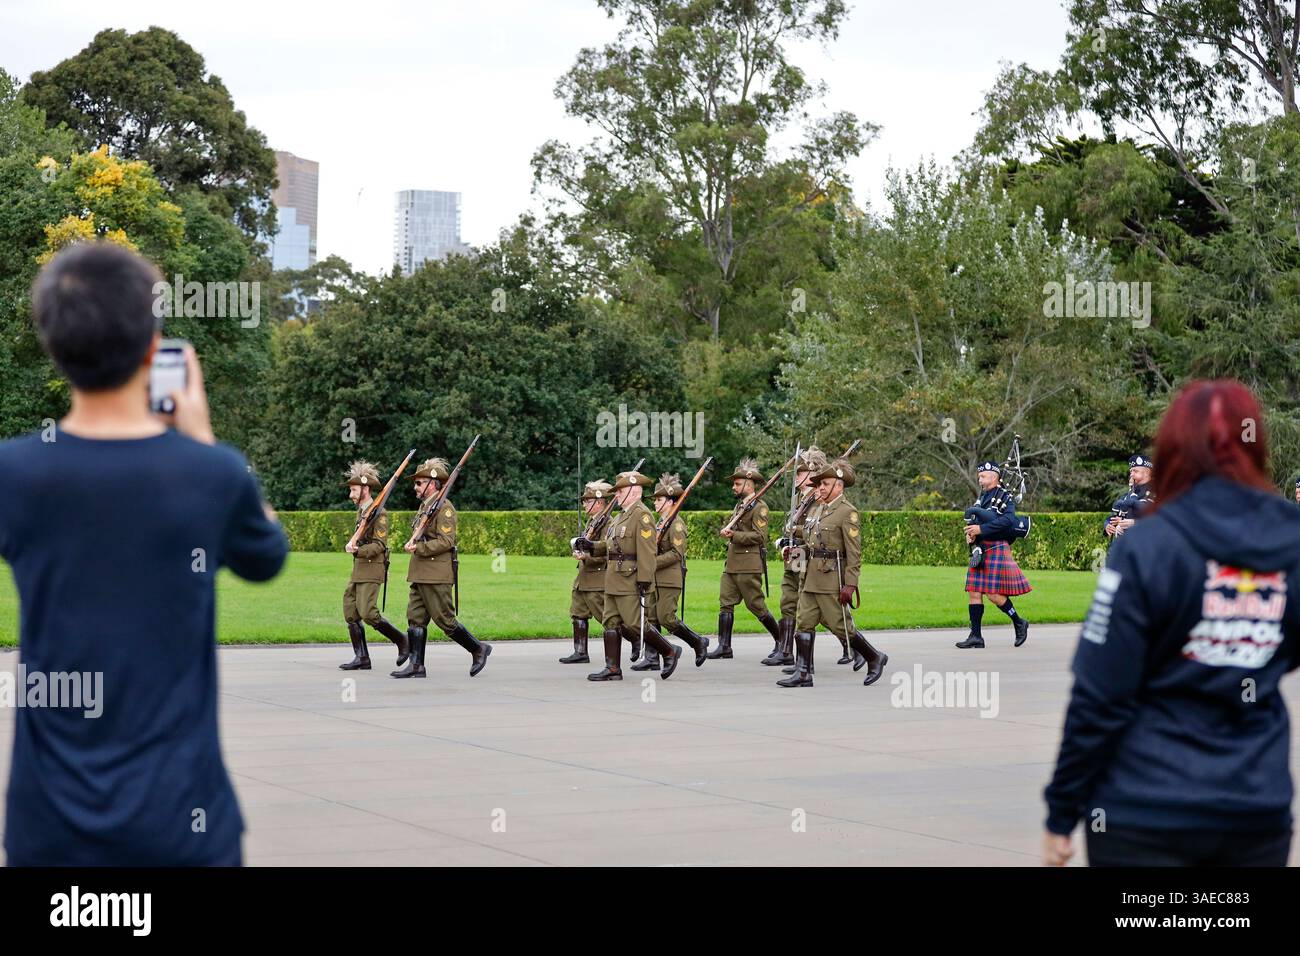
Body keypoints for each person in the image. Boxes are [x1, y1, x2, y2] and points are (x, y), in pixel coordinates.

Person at [0, 241, 288, 866]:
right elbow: (267, 556)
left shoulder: (15, 472)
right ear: (154, 348)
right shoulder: (210, 475)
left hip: (49, 825)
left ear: (54, 346)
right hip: (180, 821)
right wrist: (206, 439)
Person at [1044, 380, 1300, 867]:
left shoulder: (1147, 545)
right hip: (1253, 808)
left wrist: (1062, 812)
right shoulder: (1292, 539)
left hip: (1145, 809)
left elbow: (1100, 695)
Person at [777, 459, 887, 688]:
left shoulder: (848, 512)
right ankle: (803, 673)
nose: (821, 488)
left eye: (826, 484)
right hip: (810, 578)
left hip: (830, 579)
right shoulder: (818, 510)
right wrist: (794, 550)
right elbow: (813, 545)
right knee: (803, 623)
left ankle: (874, 657)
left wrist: (851, 584)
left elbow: (854, 553)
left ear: (839, 485)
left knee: (841, 626)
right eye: (820, 485)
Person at [392, 456, 491, 678]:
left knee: (445, 620)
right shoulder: (426, 507)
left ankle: (478, 649)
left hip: (436, 574)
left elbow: (447, 541)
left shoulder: (444, 508)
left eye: (419, 483)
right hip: (420, 573)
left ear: (432, 484)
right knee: (415, 617)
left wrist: (419, 548)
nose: (415, 486)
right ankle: (417, 666)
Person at [580, 470, 683, 681]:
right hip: (613, 577)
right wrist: (592, 546)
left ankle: (669, 651)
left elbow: (647, 552)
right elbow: (612, 546)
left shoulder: (642, 515)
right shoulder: (620, 517)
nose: (615, 495)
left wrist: (644, 579)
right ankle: (612, 668)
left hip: (630, 578)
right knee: (610, 621)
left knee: (635, 623)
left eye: (620, 491)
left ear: (633, 491)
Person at [632, 474, 709, 671]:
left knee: (667, 618)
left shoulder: (676, 524)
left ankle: (697, 642)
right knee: (650, 617)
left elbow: (677, 554)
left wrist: (651, 562)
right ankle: (651, 658)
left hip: (669, 579)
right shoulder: (659, 523)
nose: (655, 503)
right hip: (654, 579)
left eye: (659, 499)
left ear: (670, 501)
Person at [339, 461, 410, 670]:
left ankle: (402, 640)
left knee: (369, 613)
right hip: (359, 569)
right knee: (350, 610)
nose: (351, 494)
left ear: (365, 489)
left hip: (372, 569)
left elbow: (379, 545)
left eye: (353, 490)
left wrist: (357, 550)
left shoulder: (379, 513)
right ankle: (362, 657)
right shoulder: (362, 512)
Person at [709, 457, 781, 660]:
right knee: (725, 603)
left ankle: (781, 641)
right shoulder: (742, 505)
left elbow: (760, 537)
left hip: (748, 564)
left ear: (749, 485)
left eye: (737, 483)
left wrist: (735, 536)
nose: (734, 486)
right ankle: (724, 646)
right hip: (732, 564)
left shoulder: (760, 507)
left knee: (755, 605)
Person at [955, 461, 1031, 649]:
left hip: (996, 547)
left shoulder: (1005, 496)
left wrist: (981, 529)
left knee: (993, 594)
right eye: (979, 476)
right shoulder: (982, 497)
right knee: (974, 592)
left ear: (995, 477)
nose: (979, 479)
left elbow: (1008, 520)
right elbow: (975, 519)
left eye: (983, 476)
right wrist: (972, 536)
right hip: (980, 548)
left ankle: (1019, 622)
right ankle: (976, 636)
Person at [769, 446, 833, 667]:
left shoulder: (818, 497)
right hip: (795, 553)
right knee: (788, 600)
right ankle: (786, 650)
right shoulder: (800, 497)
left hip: (807, 554)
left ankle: (855, 646)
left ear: (810, 474)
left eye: (799, 472)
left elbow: (814, 527)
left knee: (814, 609)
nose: (796, 476)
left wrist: (792, 531)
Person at [560, 479, 612, 664]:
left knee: (608, 619)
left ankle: (640, 643)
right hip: (583, 578)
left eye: (587, 501)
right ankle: (581, 652)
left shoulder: (607, 523)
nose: (584, 504)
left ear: (599, 503)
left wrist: (586, 557)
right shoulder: (592, 521)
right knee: (578, 613)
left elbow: (608, 552)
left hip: (597, 579)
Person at [1103, 454, 1155, 538]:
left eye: (1135, 471)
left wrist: (1135, 523)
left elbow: (1160, 520)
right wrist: (1107, 525)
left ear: (1147, 473)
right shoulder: (1129, 494)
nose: (1131, 474)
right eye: (1131, 471)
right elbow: (1113, 516)